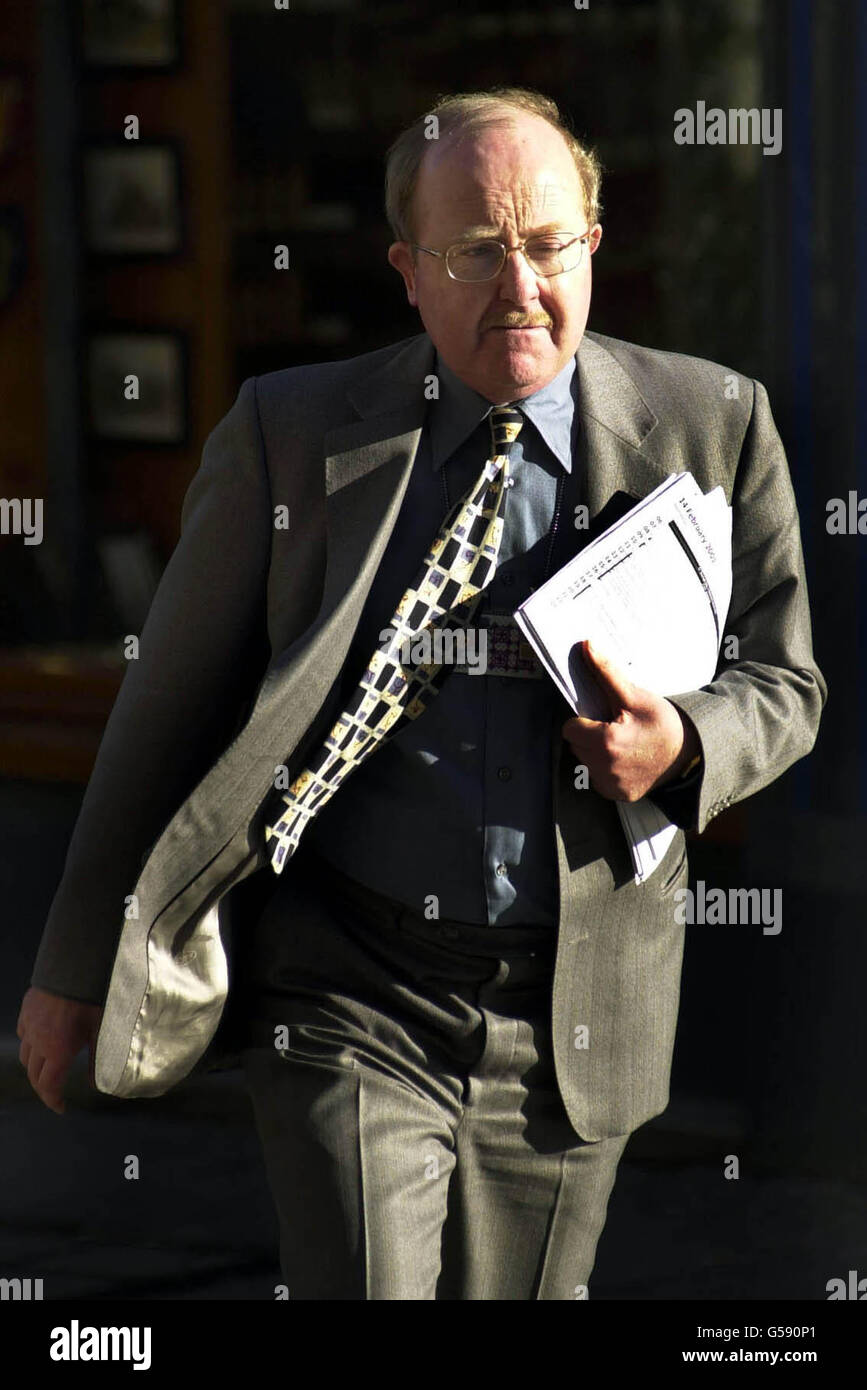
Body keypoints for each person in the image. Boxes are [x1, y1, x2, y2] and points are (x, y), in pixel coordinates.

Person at [17, 86, 826, 1300]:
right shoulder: (293, 436)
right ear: (406, 268)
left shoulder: (711, 423)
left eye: (550, 245)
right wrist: (76, 963)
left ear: (593, 242)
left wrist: (687, 741)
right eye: (475, 252)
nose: (521, 287)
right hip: (350, 989)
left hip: (575, 1010)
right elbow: (165, 708)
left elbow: (788, 681)